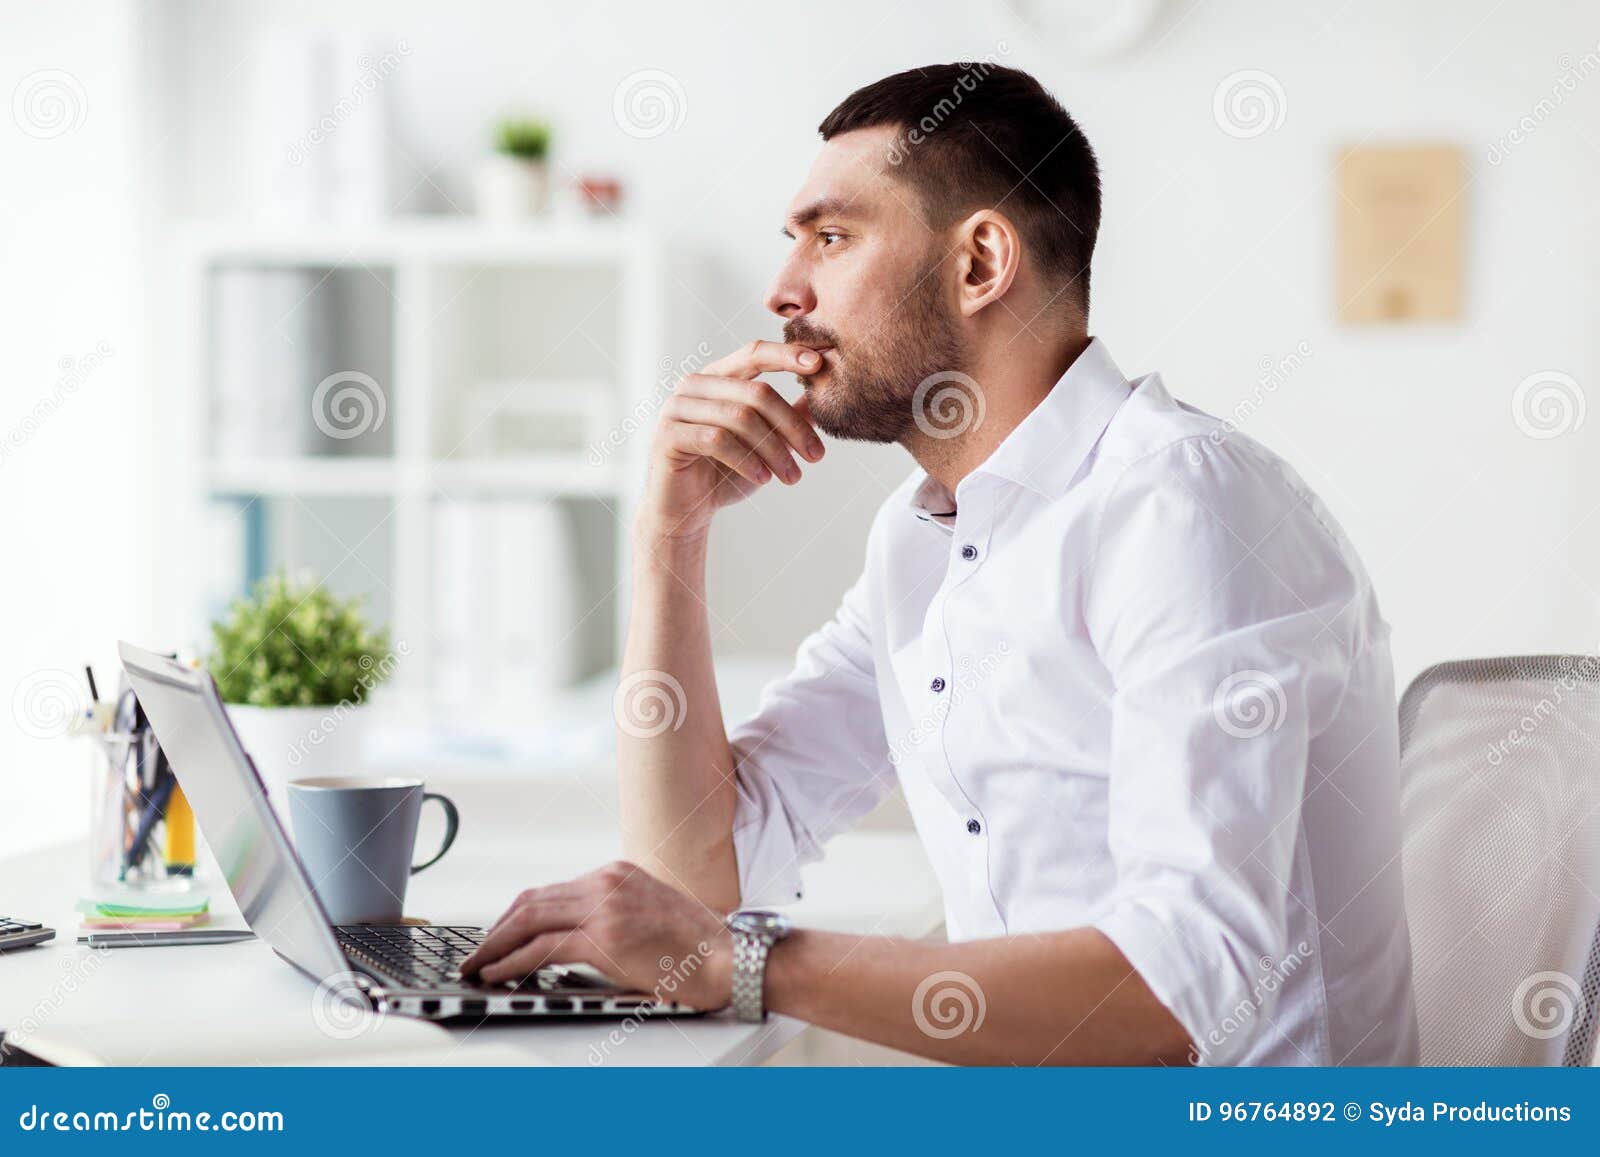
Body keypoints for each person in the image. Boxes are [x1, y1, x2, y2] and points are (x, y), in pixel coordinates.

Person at [463, 63, 1418, 1066]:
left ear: (978, 264)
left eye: (829, 237)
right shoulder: (922, 539)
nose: (782, 290)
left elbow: (1175, 989)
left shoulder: (1179, 505)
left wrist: (741, 960)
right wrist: (669, 535)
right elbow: (700, 878)